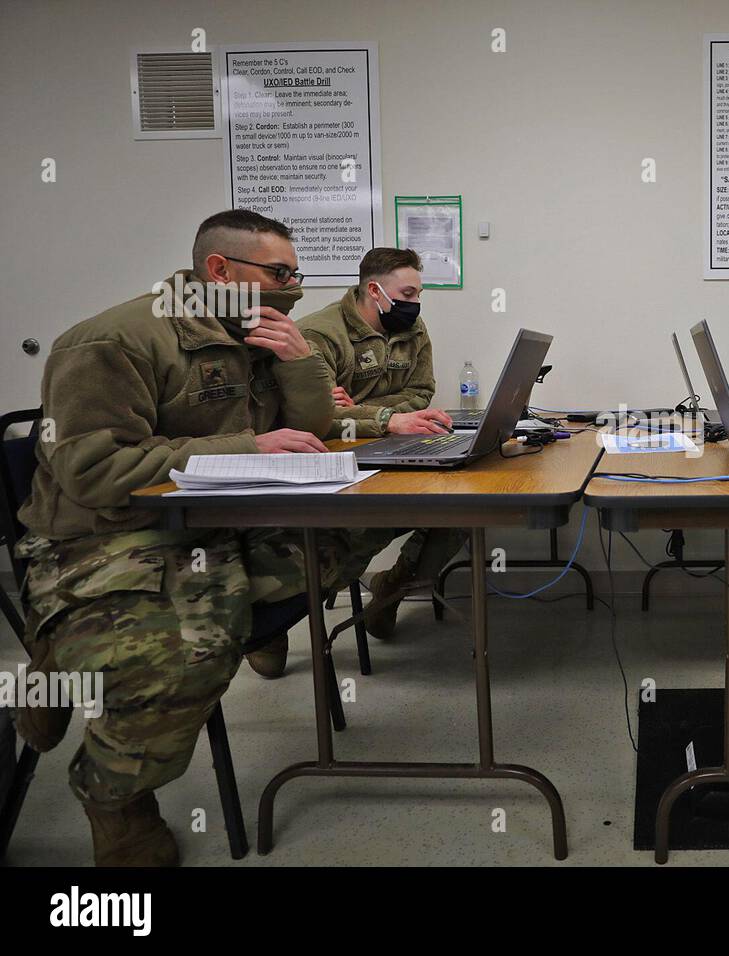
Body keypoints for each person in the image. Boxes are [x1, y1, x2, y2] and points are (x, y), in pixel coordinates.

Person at [14, 210, 388, 865]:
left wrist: (298, 363)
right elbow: (92, 468)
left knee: (363, 525)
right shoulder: (113, 340)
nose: (292, 289)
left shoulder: (258, 332)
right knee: (190, 648)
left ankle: (118, 641)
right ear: (220, 270)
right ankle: (116, 801)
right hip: (106, 538)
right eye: (279, 274)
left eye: (295, 275)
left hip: (220, 522)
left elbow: (312, 432)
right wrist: (246, 448)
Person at [296, 248, 467, 639]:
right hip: (336, 459)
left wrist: (369, 413)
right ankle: (272, 628)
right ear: (374, 290)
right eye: (407, 294)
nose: (415, 303)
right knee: (361, 530)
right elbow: (318, 420)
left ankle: (393, 587)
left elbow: (422, 391)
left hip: (394, 449)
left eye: (418, 294)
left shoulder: (414, 329)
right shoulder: (319, 334)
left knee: (461, 509)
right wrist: (388, 420)